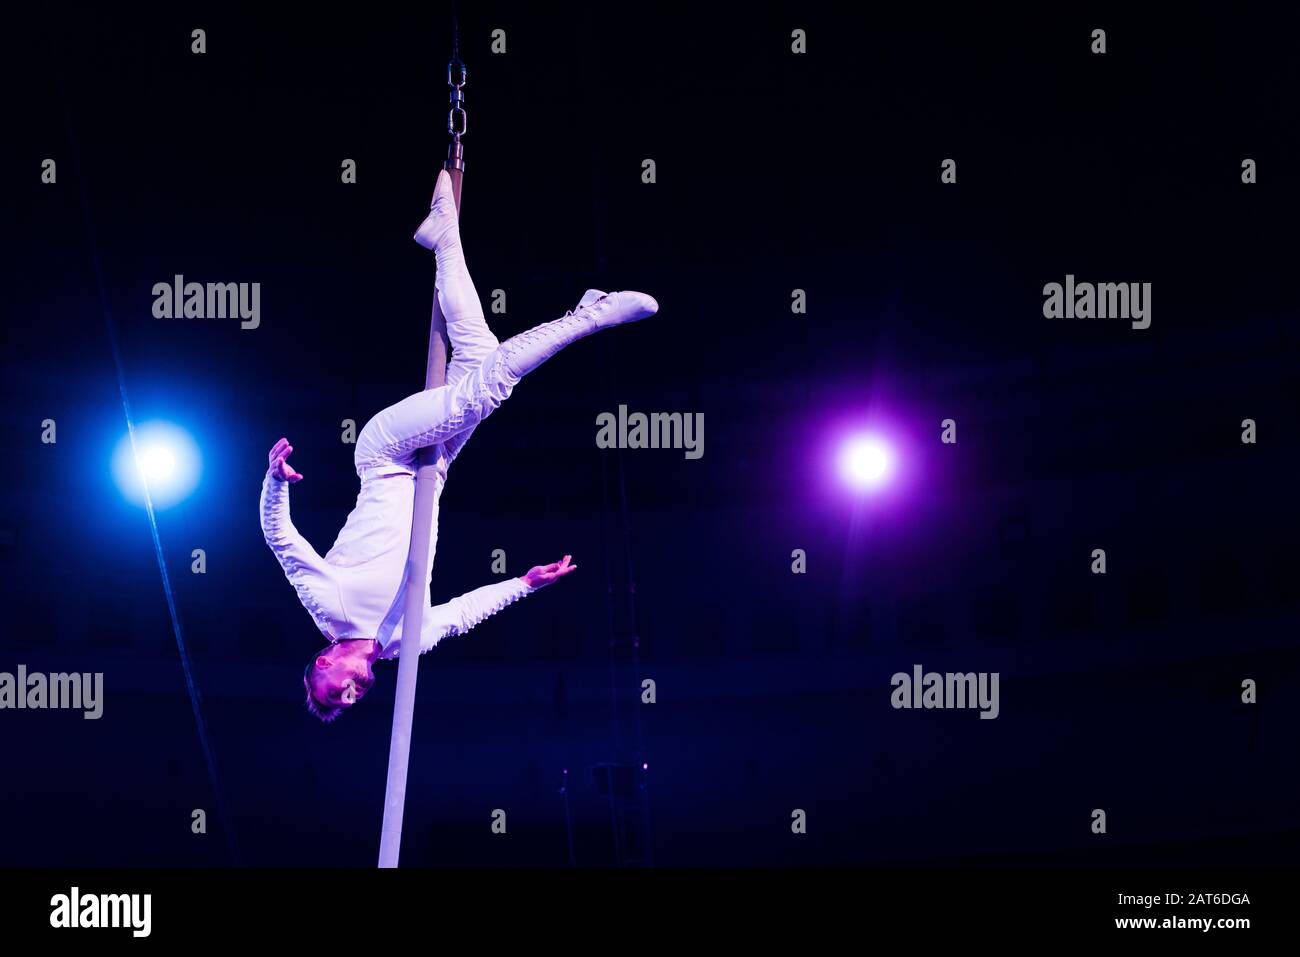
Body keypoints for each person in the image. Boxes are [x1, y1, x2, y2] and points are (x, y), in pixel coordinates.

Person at [260, 169, 658, 721]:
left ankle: (589, 316)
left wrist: (274, 482)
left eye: (338, 691)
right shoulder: (407, 644)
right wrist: (524, 582)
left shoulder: (328, 608)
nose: (354, 694)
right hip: (435, 468)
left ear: (326, 663)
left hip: (385, 455)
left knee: (485, 391)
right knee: (479, 352)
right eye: (350, 702)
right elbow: (464, 612)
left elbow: (280, 538)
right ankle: (445, 237)